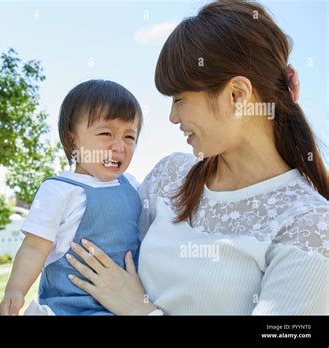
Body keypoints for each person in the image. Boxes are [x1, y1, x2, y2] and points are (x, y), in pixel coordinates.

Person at [65, 0, 328, 315]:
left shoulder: (310, 226)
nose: (173, 117)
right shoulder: (169, 176)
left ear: (237, 95)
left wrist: (140, 310)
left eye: (179, 99)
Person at [0, 79, 144, 315]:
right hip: (69, 307)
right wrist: (15, 290)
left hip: (125, 306)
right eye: (106, 133)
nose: (119, 146)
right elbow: (34, 247)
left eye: (129, 137)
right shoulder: (59, 190)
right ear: (72, 139)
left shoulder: (134, 187)